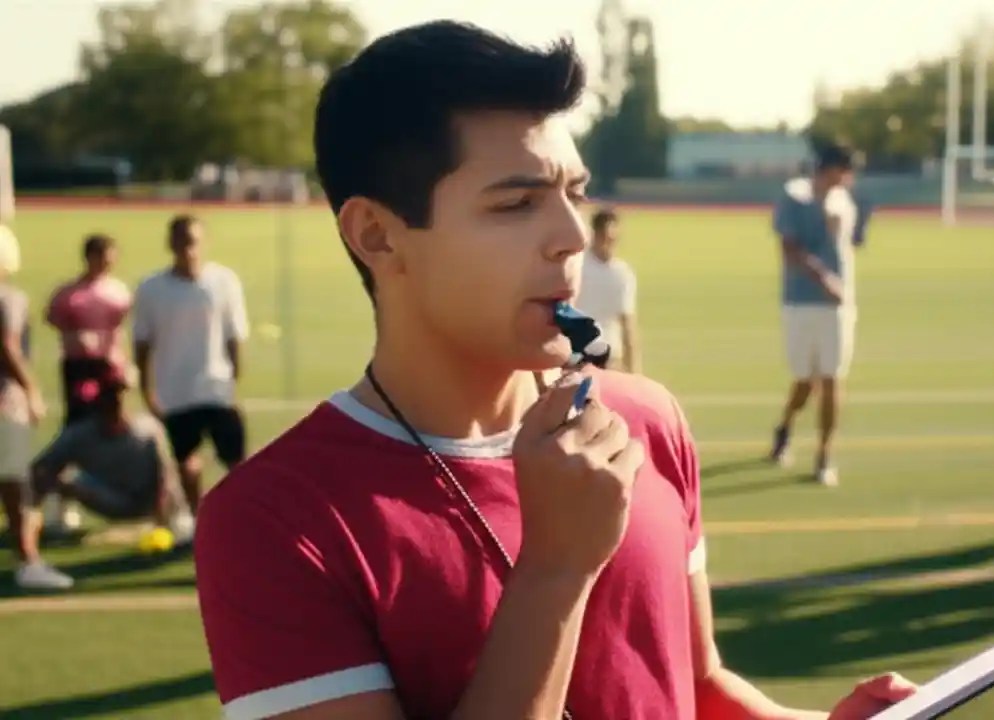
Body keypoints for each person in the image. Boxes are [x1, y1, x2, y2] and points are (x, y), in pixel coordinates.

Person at [193, 22, 915, 720]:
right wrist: (556, 570)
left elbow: (695, 689)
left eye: (574, 192)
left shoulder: (643, 422)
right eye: (516, 204)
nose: (571, 237)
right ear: (377, 235)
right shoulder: (272, 523)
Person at [28, 366, 190, 582]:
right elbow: (41, 467)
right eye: (109, 396)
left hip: (150, 501)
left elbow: (165, 477)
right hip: (108, 498)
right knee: (61, 478)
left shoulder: (148, 430)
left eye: (117, 395)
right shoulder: (80, 434)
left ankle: (178, 522)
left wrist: (160, 521)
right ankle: (50, 523)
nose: (114, 402)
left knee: (175, 475)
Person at [133, 215, 249, 514]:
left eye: (193, 241)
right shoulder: (151, 288)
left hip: (216, 386)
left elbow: (235, 335)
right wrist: (147, 390)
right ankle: (200, 518)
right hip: (176, 392)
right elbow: (142, 342)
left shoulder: (223, 281)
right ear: (170, 243)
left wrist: (235, 380)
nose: (187, 249)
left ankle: (242, 515)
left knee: (236, 460)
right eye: (181, 241)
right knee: (187, 462)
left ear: (203, 242)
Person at [768, 143, 859, 487]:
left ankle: (824, 455)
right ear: (830, 169)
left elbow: (845, 245)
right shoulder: (794, 198)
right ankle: (785, 426)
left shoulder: (843, 202)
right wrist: (824, 279)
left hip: (837, 307)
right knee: (805, 380)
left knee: (833, 377)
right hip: (800, 302)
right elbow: (789, 249)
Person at [42, 233, 133, 533]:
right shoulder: (70, 294)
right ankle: (61, 506)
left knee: (114, 428)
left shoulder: (118, 292)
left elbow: (121, 329)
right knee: (75, 430)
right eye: (102, 255)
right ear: (89, 256)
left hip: (110, 368)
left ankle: (121, 492)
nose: (107, 261)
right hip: (80, 368)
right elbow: (53, 319)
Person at [0, 225, 70, 590]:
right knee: (14, 485)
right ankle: (27, 560)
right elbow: (8, 346)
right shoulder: (8, 297)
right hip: (5, 404)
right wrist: (32, 390)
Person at [574, 207, 641, 373]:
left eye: (612, 239)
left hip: (610, 358)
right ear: (595, 235)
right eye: (605, 238)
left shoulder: (622, 274)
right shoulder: (577, 267)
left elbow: (627, 326)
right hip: (578, 357)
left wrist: (634, 371)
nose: (609, 244)